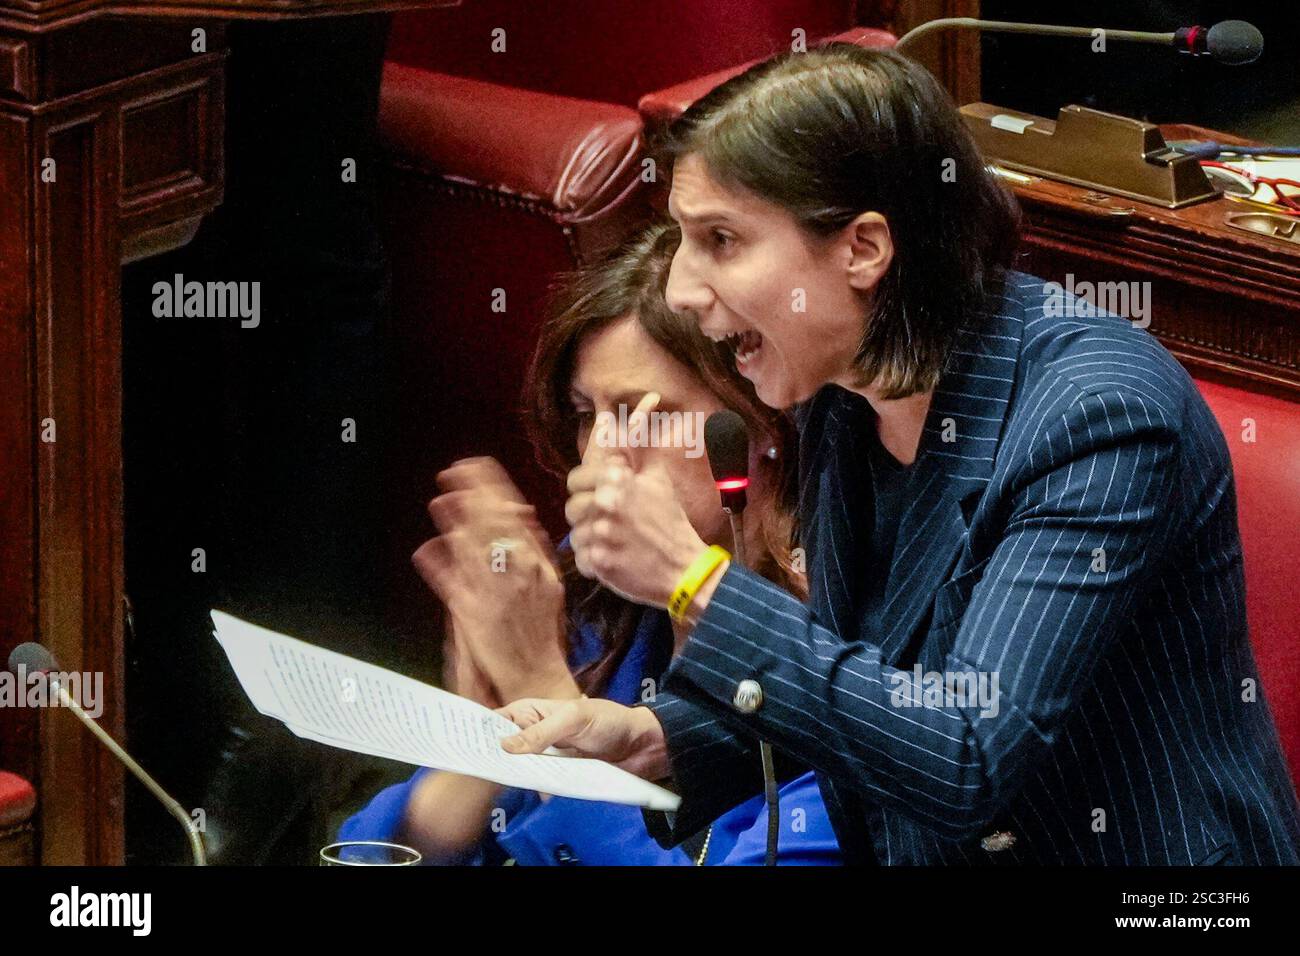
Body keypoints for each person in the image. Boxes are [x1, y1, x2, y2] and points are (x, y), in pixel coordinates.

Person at [498, 44, 1300, 865]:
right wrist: (657, 741)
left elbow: (963, 753)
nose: (680, 290)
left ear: (864, 249)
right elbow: (868, 683)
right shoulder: (843, 394)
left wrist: (692, 578)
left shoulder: (1100, 417)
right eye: (682, 238)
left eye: (721, 240)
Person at [338, 222, 839, 865]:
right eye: (587, 417)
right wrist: (479, 749)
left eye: (646, 416)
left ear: (764, 421)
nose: (597, 461)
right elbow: (362, 852)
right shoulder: (598, 576)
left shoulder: (846, 645)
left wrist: (541, 687)